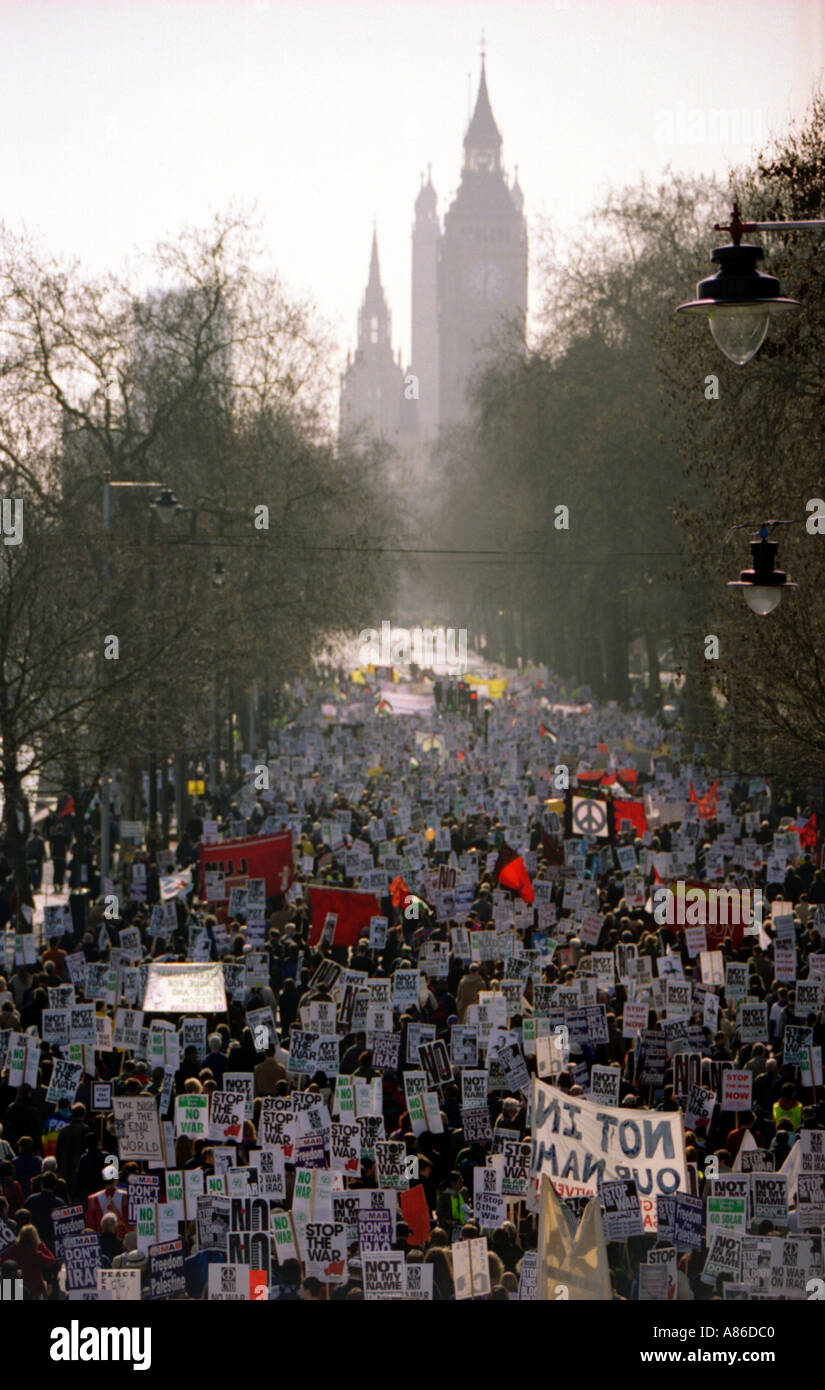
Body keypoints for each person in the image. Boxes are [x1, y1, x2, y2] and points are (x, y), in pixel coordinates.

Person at [0, 1222, 56, 1299]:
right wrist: (42, 1245)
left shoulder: (13, 1249)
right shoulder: (36, 1254)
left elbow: (2, 1261)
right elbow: (51, 1260)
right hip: (34, 1288)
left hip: (15, 1287)